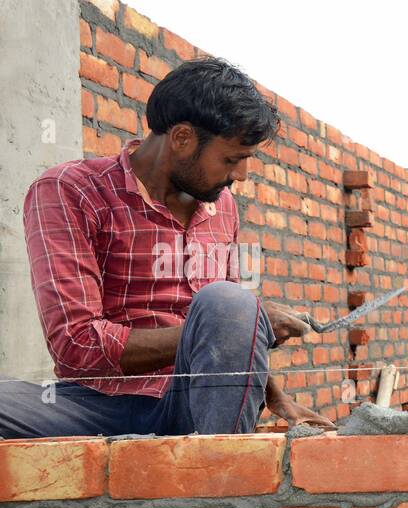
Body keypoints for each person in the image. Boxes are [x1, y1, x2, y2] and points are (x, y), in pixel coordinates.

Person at [0, 57, 332, 439]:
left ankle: (221, 477)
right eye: (232, 159)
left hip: (195, 406)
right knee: (231, 309)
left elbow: (227, 328)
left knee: (230, 303)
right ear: (182, 138)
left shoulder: (221, 206)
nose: (240, 175)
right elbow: (74, 345)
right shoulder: (69, 190)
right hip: (94, 405)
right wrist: (215, 329)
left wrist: (277, 396)